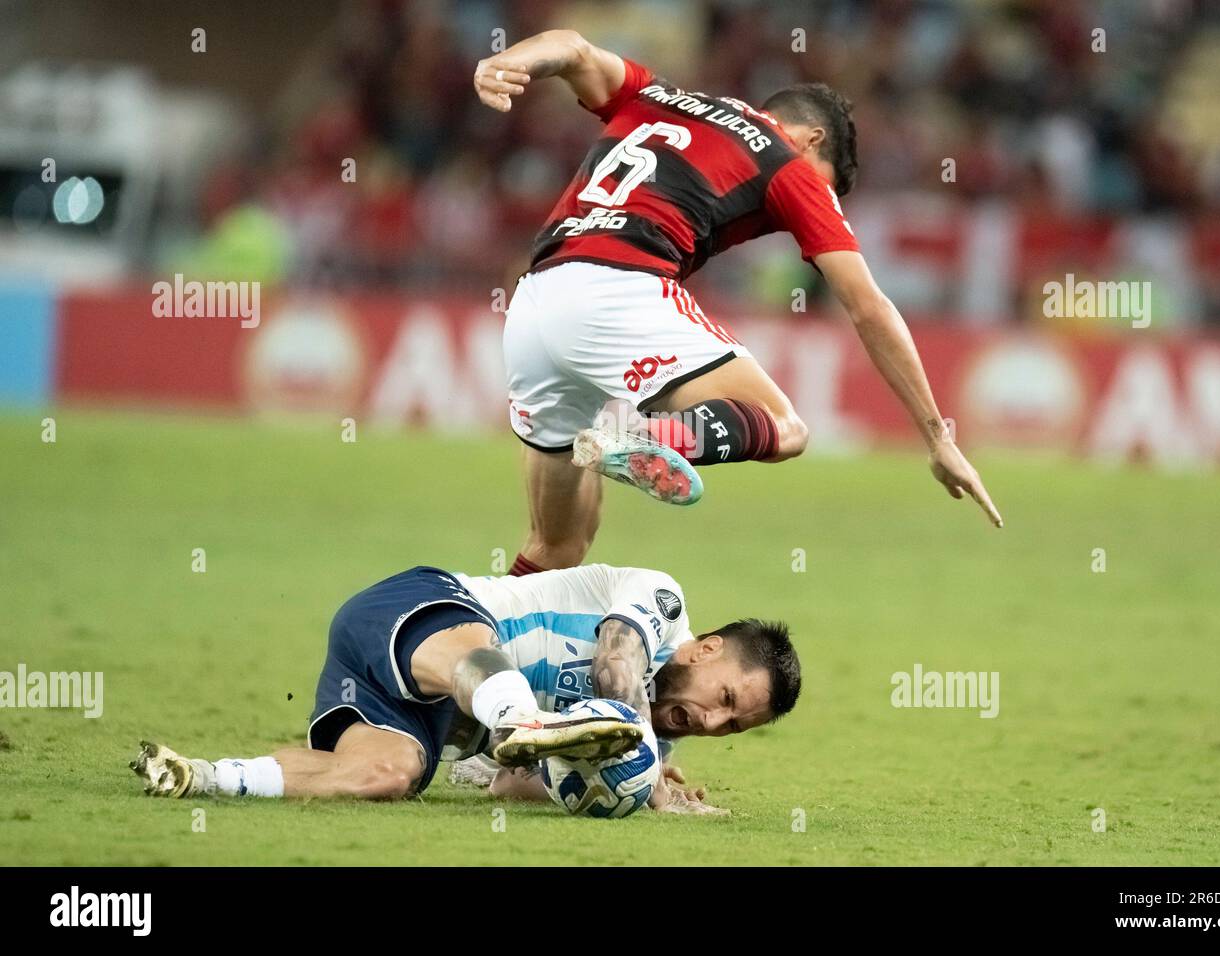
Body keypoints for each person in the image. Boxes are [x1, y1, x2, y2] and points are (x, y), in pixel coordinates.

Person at [472, 29, 1003, 577]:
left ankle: (476, 643)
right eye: (828, 187)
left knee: (554, 550)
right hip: (622, 289)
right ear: (812, 139)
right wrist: (938, 438)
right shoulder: (790, 165)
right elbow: (869, 307)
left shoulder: (657, 95)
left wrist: (507, 63)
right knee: (784, 425)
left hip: (534, 303)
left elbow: (573, 49)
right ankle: (643, 435)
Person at [131, 563, 800, 815]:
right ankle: (515, 718)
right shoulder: (660, 600)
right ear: (705, 648)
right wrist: (643, 773)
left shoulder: (640, 737)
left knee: (387, 777)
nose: (713, 724)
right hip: (423, 614)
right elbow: (614, 665)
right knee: (485, 659)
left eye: (733, 728)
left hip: (407, 705)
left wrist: (594, 781)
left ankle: (201, 777)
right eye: (728, 701)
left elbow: (511, 785)